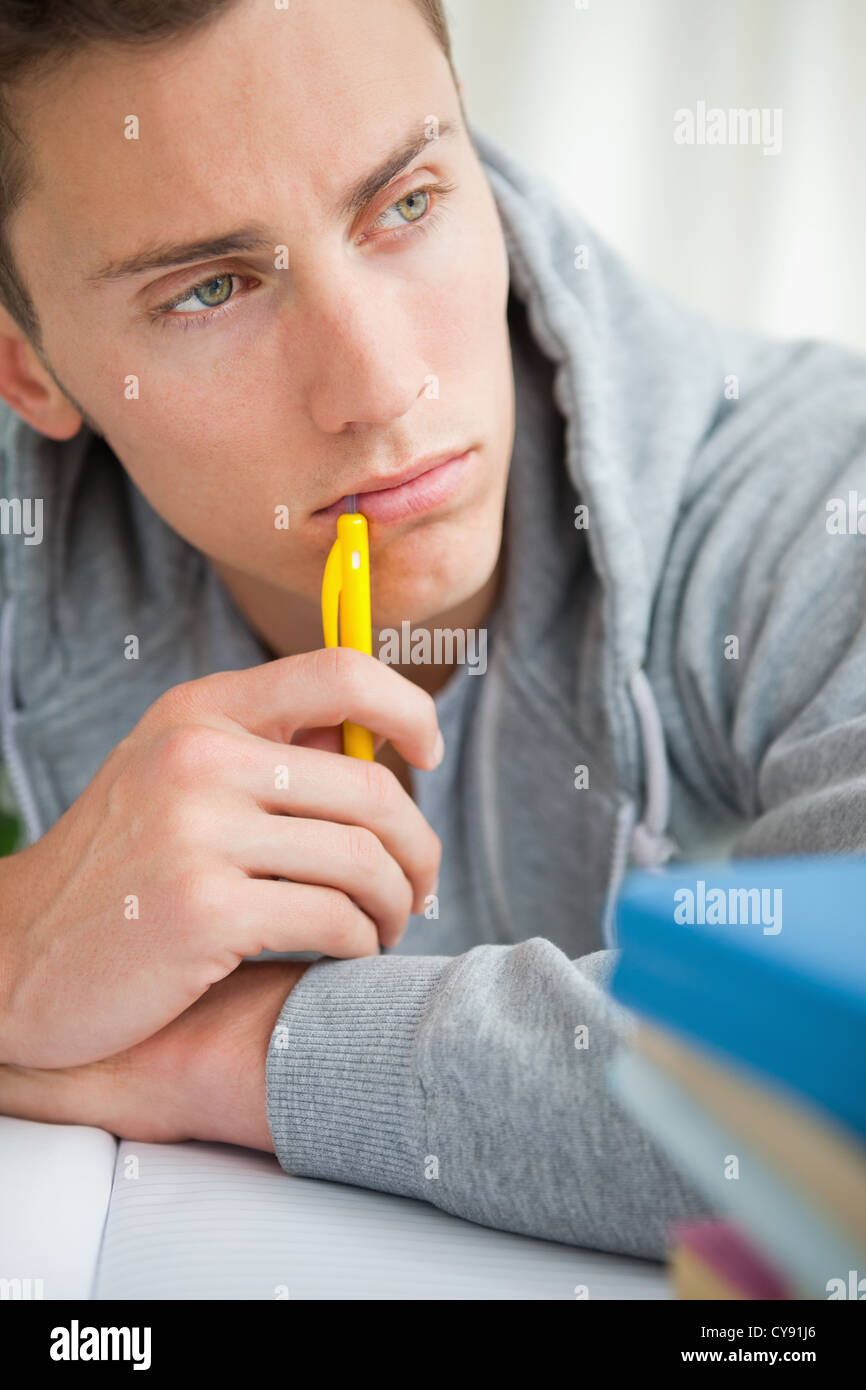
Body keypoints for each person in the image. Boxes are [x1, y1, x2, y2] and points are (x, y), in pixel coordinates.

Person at [0, 0, 864, 1262]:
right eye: (210, 289)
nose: (377, 387)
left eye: (403, 204)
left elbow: (834, 1080)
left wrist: (231, 1050)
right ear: (29, 371)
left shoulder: (812, 497)